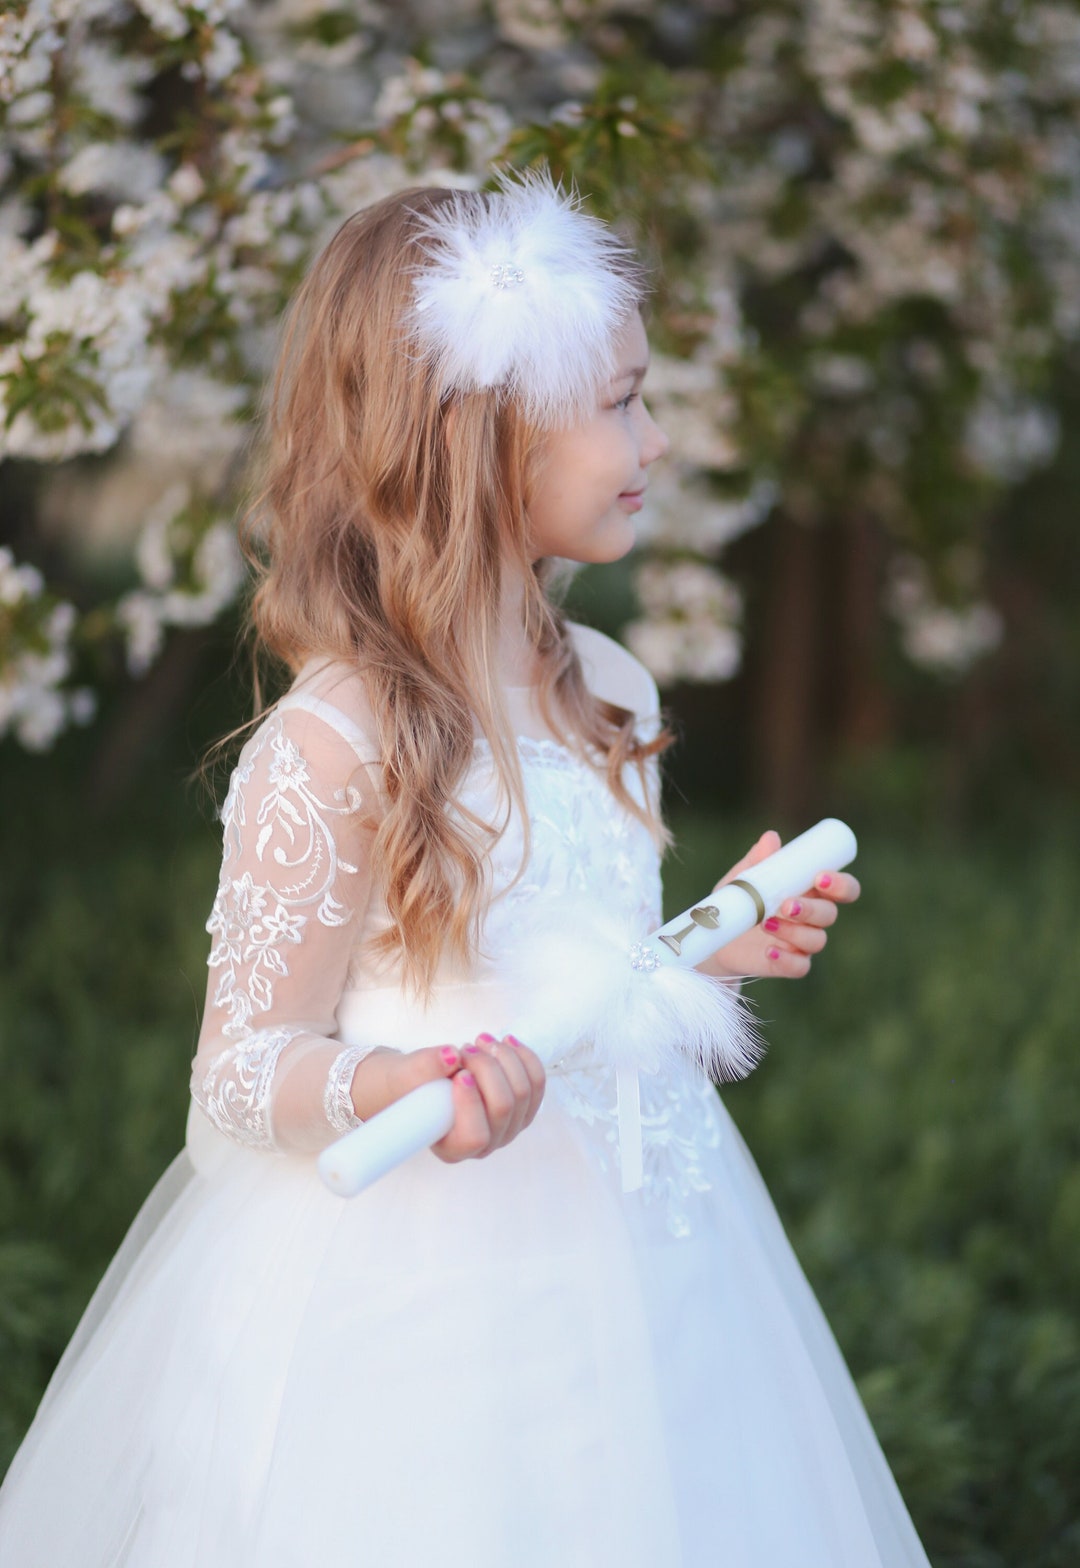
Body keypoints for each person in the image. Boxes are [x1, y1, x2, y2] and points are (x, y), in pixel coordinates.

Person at [0, 170, 931, 1567]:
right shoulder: (335, 743)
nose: (657, 439)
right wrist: (395, 1086)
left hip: (659, 1276)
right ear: (479, 434)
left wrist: (700, 951)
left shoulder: (607, 688)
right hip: (425, 1301)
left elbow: (578, 980)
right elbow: (237, 1075)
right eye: (621, 403)